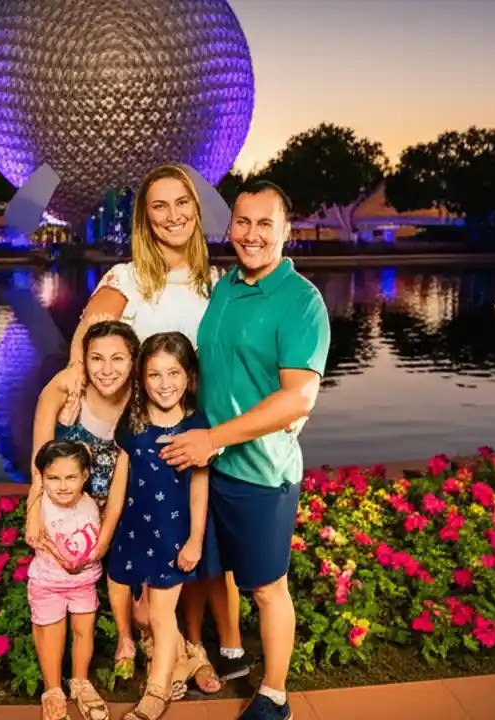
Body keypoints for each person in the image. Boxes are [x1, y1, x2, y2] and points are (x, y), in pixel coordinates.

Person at [45, 163, 243, 688]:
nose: (172, 215)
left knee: (198, 544)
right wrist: (72, 376)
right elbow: (88, 333)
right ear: (145, 218)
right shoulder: (128, 278)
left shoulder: (216, 283)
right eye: (159, 205)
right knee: (145, 539)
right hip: (140, 435)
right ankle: (159, 642)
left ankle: (192, 643)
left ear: (196, 209)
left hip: (197, 430)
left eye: (182, 203)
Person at [159, 180, 330, 720]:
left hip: (260, 475)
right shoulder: (226, 287)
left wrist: (214, 438)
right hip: (207, 470)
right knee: (204, 571)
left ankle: (275, 697)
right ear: (229, 225)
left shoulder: (301, 301)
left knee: (266, 587)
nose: (251, 235)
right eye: (242, 222)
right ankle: (208, 653)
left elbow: (297, 397)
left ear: (285, 231)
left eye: (265, 224)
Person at [101, 332, 211, 720]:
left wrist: (195, 540)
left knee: (163, 615)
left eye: (174, 373)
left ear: (188, 376)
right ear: (141, 378)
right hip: (133, 533)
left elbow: (200, 489)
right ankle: (182, 659)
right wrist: (104, 540)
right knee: (143, 615)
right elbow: (118, 488)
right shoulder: (131, 426)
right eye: (154, 375)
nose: (165, 385)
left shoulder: (197, 428)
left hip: (174, 535)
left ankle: (156, 692)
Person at [26, 320, 139, 678]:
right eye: (97, 359)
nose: (107, 370)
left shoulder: (141, 400)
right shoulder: (64, 390)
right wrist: (33, 513)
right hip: (69, 510)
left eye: (118, 359)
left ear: (134, 361)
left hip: (123, 509)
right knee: (53, 586)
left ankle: (136, 637)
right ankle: (57, 681)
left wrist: (105, 535)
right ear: (83, 360)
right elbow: (39, 464)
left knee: (145, 607)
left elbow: (126, 477)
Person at [27, 439, 110, 720]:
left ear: (85, 476)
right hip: (48, 584)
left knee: (84, 632)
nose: (62, 486)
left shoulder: (91, 502)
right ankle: (52, 689)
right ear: (41, 479)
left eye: (71, 477)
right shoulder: (39, 503)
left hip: (84, 583)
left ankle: (80, 682)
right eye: (53, 478)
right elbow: (33, 531)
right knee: (51, 634)